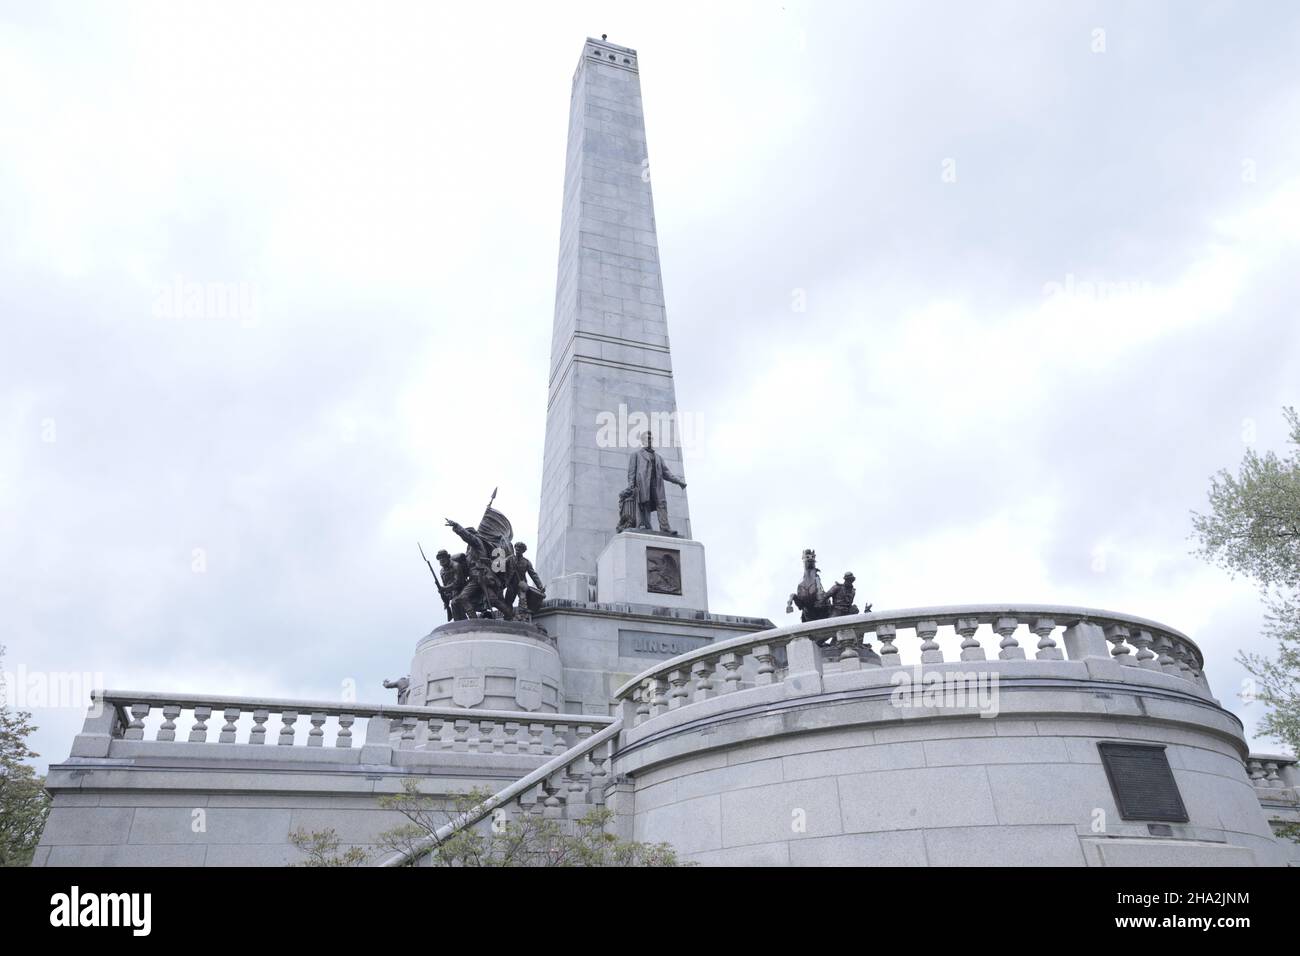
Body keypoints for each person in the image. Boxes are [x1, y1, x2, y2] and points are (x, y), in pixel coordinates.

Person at [626, 430, 686, 533]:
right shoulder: (636, 455)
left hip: (657, 485)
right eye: (647, 438)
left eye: (651, 438)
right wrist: (631, 485)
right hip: (643, 484)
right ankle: (644, 525)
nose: (649, 440)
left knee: (661, 504)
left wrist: (679, 481)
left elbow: (667, 473)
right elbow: (631, 472)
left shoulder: (658, 457)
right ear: (643, 440)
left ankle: (665, 528)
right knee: (644, 504)